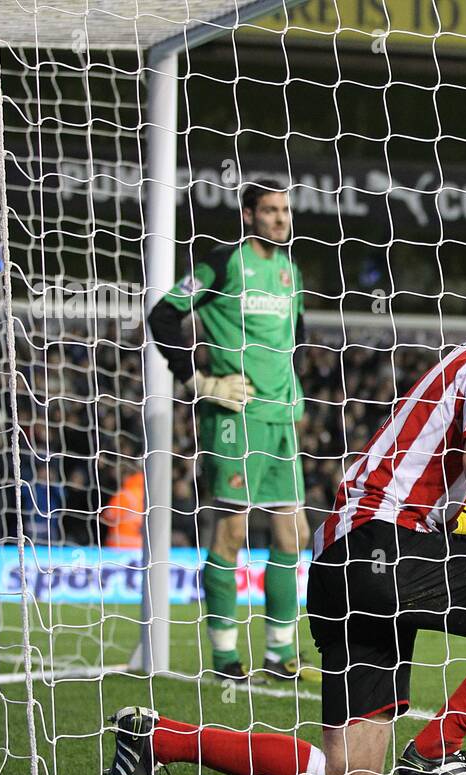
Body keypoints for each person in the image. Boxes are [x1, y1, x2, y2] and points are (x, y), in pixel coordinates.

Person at [105, 255, 466, 775]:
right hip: (380, 546)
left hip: (343, 566)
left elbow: (459, 471)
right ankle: (438, 748)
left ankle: (159, 738)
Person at [146, 180, 310, 682]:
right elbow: (163, 316)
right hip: (235, 419)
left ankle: (279, 655)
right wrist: (201, 380)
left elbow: (295, 336)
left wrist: (290, 393)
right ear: (247, 215)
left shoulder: (290, 271)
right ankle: (223, 660)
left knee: (293, 533)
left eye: (285, 210)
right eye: (270, 211)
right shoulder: (222, 264)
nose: (281, 219)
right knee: (233, 530)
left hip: (281, 419)